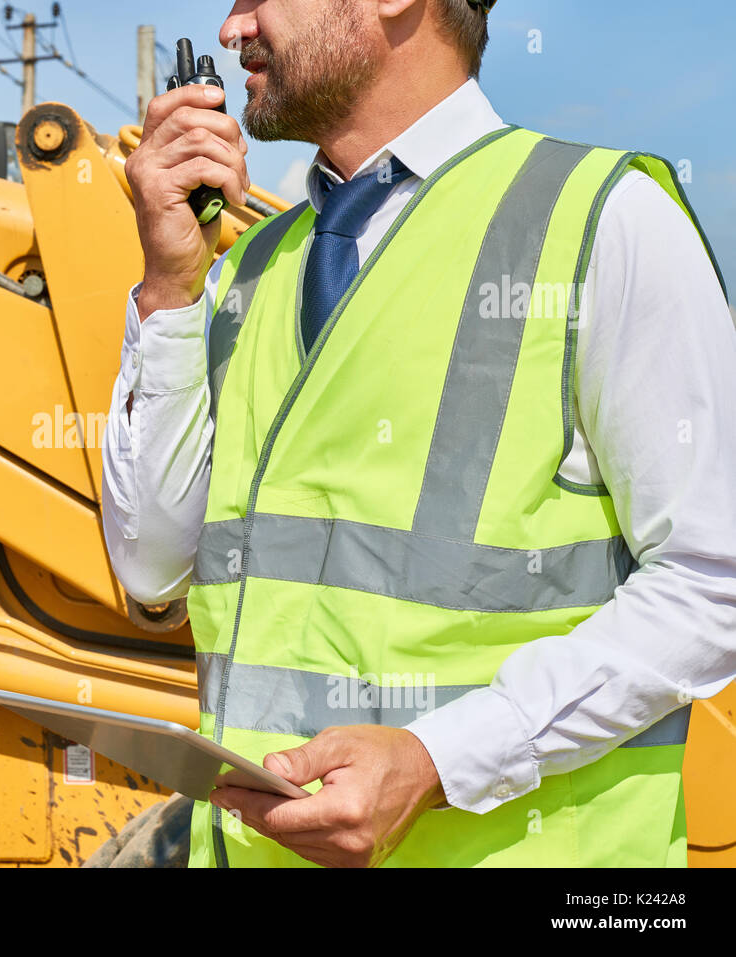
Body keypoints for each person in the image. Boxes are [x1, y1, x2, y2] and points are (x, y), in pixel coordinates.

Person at [103, 0, 736, 867]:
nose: (230, 29)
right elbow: (151, 565)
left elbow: (714, 581)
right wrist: (169, 286)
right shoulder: (244, 269)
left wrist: (441, 761)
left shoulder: (603, 219)